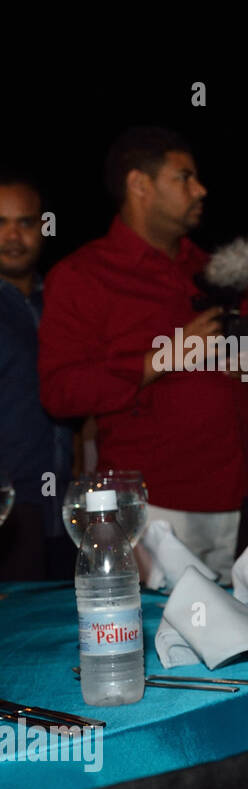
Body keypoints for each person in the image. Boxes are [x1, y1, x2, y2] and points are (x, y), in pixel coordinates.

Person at [38, 127, 248, 583]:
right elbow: (60, 392)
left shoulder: (213, 269)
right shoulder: (83, 275)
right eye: (184, 177)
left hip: (245, 502)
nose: (200, 189)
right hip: (158, 509)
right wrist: (163, 358)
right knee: (164, 640)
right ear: (139, 185)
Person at [0, 171, 75, 579]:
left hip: (65, 510)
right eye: (0, 223)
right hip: (9, 513)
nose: (13, 236)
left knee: (60, 629)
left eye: (25, 222)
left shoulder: (64, 299)